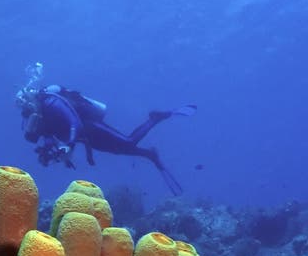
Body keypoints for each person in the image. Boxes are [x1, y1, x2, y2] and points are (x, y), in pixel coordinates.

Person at [16, 67, 196, 195]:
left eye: (27, 108)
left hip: (90, 127)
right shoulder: (42, 118)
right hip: (88, 139)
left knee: (128, 142)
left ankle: (154, 118)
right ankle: (149, 154)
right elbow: (48, 137)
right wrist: (50, 153)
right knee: (120, 150)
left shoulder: (51, 103)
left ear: (31, 101)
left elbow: (74, 123)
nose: (28, 115)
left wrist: (69, 146)